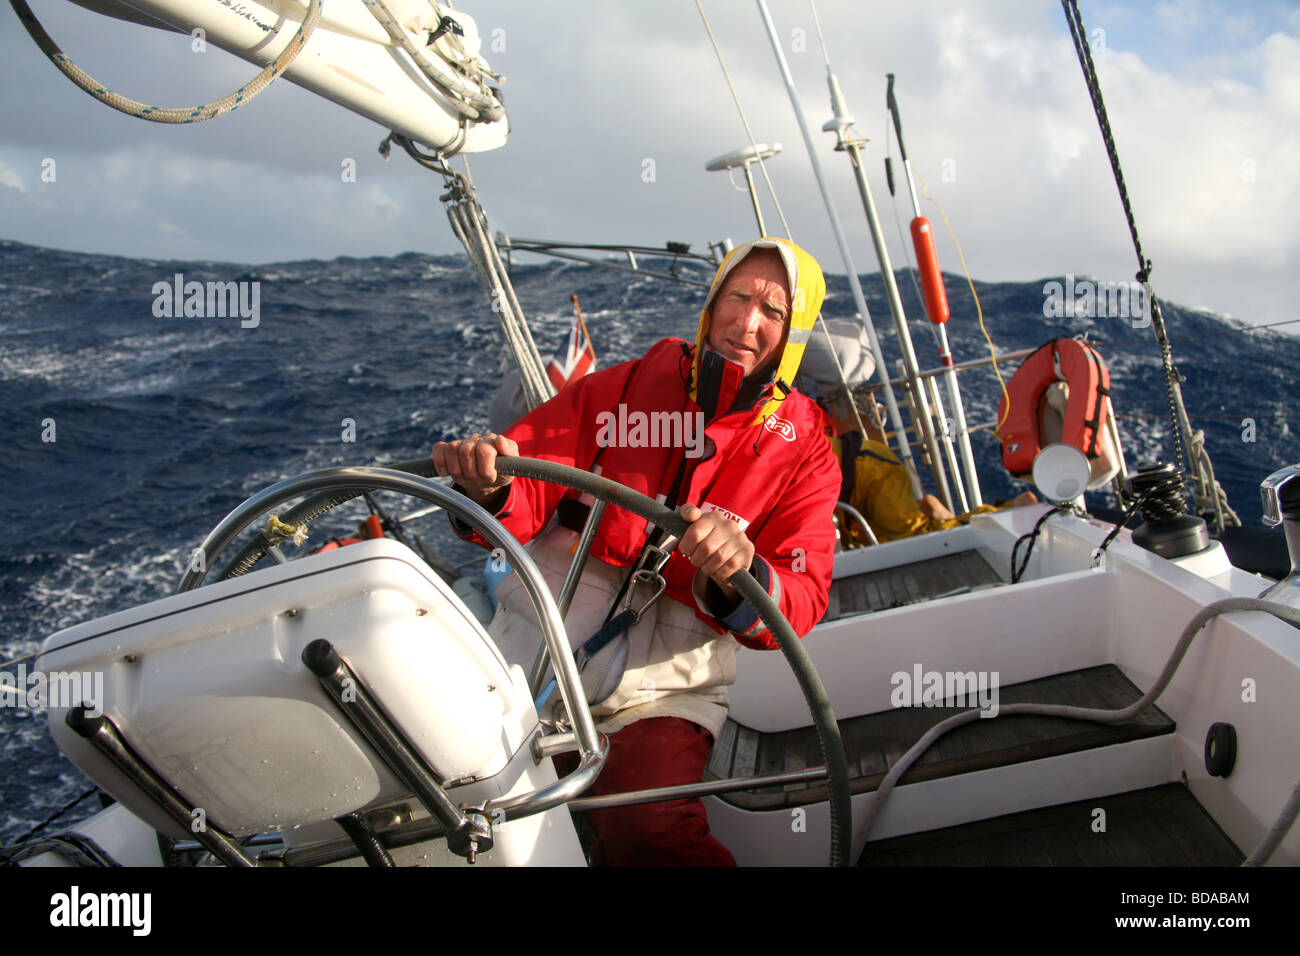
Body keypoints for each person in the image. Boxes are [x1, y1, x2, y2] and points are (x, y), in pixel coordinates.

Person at [432, 237, 841, 865]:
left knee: (649, 826)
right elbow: (529, 475)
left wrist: (741, 573)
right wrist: (489, 484)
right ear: (713, 302)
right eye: (738, 295)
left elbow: (801, 596)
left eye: (773, 311)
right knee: (435, 793)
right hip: (529, 663)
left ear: (794, 334)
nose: (747, 321)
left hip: (664, 693)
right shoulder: (622, 387)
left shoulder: (808, 448)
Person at [819, 388, 1036, 546]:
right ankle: (937, 514)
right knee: (879, 541)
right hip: (854, 476)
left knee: (919, 540)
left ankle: (1012, 509)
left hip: (868, 473)